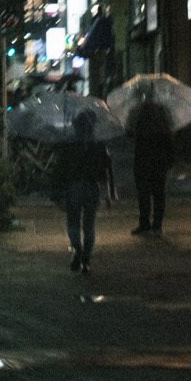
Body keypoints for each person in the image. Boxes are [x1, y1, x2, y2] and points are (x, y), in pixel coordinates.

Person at [55, 110, 113, 273]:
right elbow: (104, 171)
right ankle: (86, 259)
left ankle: (76, 248)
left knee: (73, 222)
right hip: (92, 188)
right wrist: (107, 194)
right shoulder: (98, 144)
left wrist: (59, 191)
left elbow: (61, 169)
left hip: (73, 187)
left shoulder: (69, 144)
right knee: (89, 225)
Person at [129, 96, 175, 234]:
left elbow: (130, 133)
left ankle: (144, 223)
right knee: (159, 194)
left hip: (143, 161)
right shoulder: (163, 118)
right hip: (159, 162)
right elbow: (169, 142)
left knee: (144, 194)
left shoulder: (139, 116)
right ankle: (157, 225)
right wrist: (170, 160)